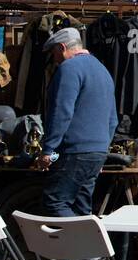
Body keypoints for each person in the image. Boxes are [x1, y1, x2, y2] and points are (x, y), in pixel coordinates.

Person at [37, 28, 119, 217]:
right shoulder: (102, 70)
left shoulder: (69, 68)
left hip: (75, 151)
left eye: (54, 52)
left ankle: (78, 245)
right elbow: (113, 119)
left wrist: (48, 150)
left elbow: (61, 112)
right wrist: (103, 149)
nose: (54, 58)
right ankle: (88, 246)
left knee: (54, 202)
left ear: (62, 47)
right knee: (82, 209)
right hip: (96, 153)